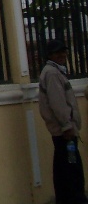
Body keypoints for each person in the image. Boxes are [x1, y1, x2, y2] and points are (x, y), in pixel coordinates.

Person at [39, 38, 88, 204]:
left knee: (63, 168)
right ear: (50, 55)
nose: (62, 55)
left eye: (63, 51)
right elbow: (58, 103)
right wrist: (67, 126)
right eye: (58, 52)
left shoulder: (55, 72)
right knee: (71, 170)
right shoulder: (52, 74)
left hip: (63, 130)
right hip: (64, 132)